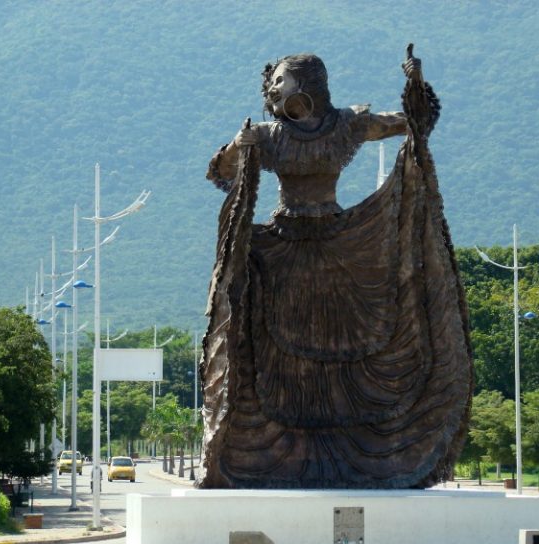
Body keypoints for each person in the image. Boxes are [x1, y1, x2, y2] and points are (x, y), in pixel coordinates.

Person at [199, 46, 473, 489]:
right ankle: (279, 452)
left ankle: (363, 451)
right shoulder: (268, 135)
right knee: (269, 346)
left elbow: (412, 124)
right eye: (272, 83)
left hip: (341, 242)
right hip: (283, 247)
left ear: (309, 81)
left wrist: (415, 85)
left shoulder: (347, 124)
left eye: (281, 79)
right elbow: (220, 172)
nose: (273, 87)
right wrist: (237, 146)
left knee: (353, 346)